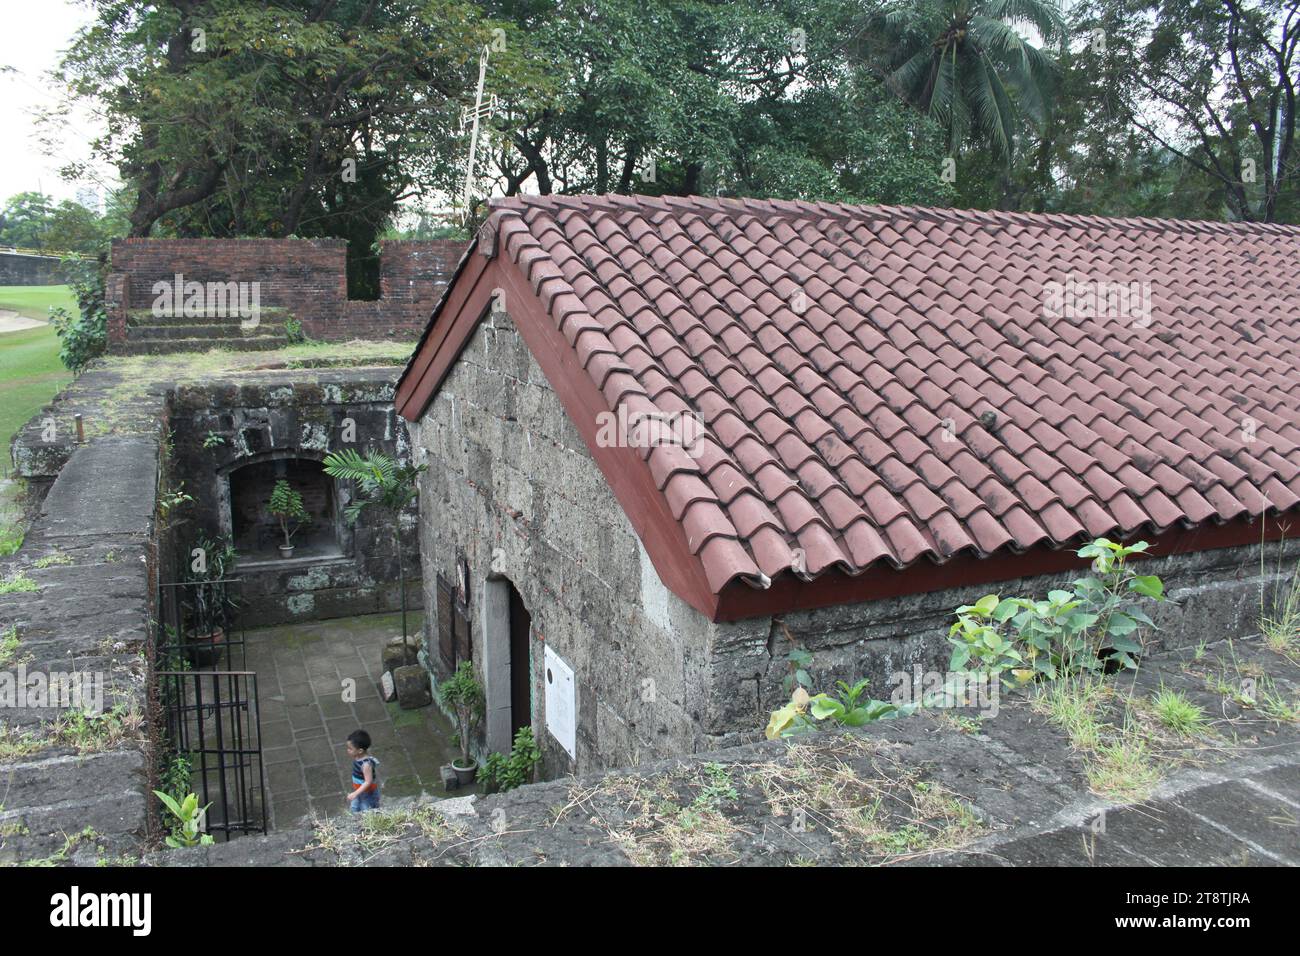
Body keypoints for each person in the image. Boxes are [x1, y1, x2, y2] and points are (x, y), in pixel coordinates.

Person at [345, 729, 380, 813]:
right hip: (360, 790)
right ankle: (354, 815)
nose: (347, 750)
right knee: (354, 807)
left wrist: (355, 793)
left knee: (366, 809)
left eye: (350, 748)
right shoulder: (358, 758)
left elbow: (368, 782)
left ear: (360, 751)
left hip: (367, 793)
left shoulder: (366, 765)